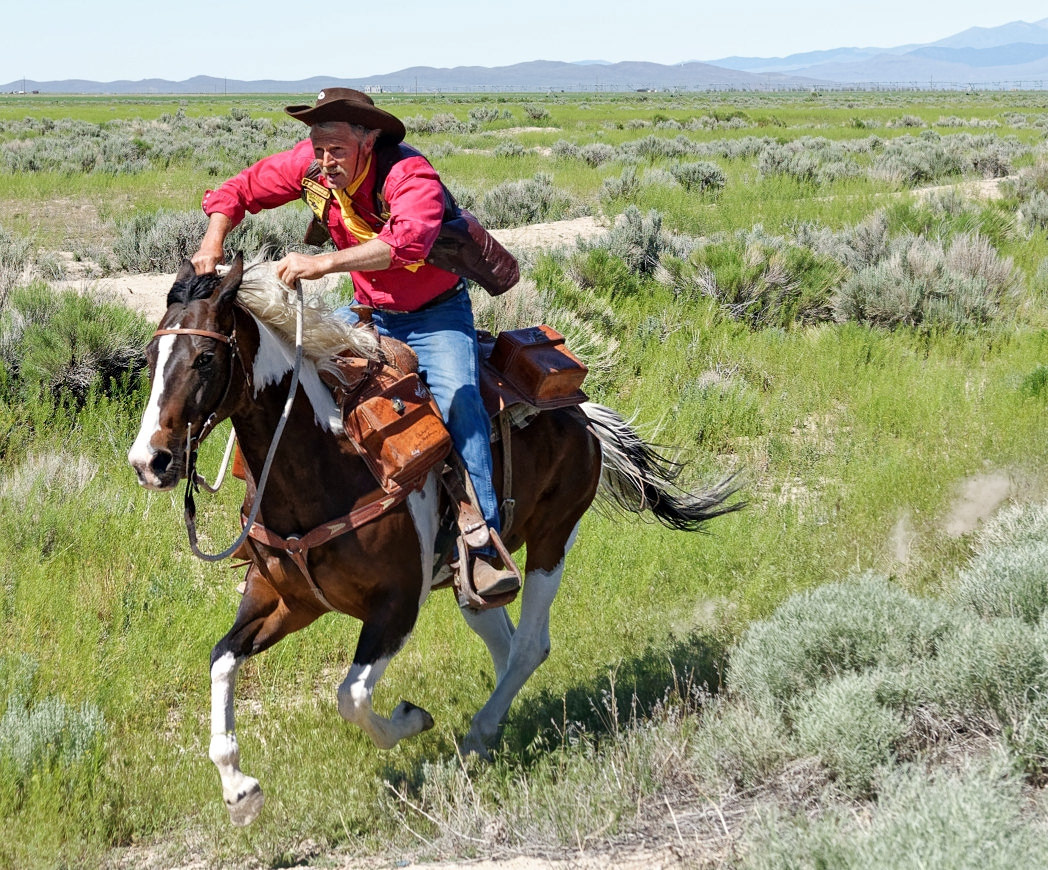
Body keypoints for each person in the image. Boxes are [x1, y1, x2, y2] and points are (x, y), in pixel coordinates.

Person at [190, 88, 518, 599]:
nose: (324, 161)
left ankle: (482, 541)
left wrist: (319, 264)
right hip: (369, 312)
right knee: (289, 380)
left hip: (435, 317)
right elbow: (241, 189)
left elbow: (407, 240)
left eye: (336, 149)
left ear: (369, 140)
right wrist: (213, 240)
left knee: (460, 401)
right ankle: (269, 513)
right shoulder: (313, 165)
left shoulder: (409, 175)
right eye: (318, 147)